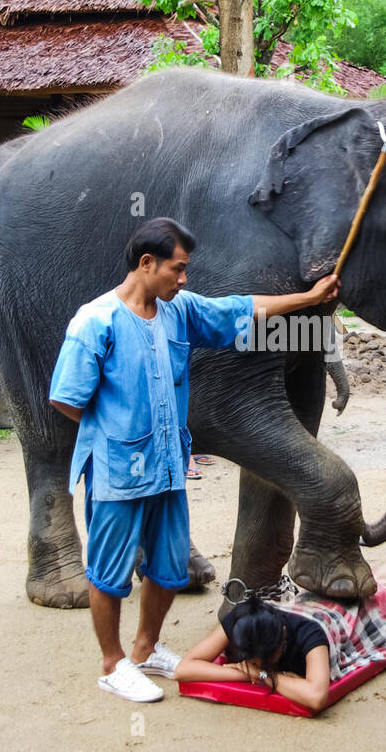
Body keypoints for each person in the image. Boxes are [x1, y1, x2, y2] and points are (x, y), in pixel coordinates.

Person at [48, 217, 340, 704]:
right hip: (119, 472)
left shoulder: (177, 312)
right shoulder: (94, 322)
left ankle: (145, 649)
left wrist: (309, 301)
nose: (184, 280)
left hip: (167, 467)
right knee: (109, 572)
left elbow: (237, 311)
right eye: (177, 270)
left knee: (167, 567)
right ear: (147, 263)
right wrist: (119, 430)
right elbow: (66, 399)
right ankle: (112, 663)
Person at [174, 539, 386, 714]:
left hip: (347, 620)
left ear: (280, 647)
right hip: (315, 601)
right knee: (375, 579)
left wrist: (263, 676)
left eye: (257, 660)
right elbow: (184, 669)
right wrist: (251, 672)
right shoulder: (243, 618)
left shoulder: (311, 638)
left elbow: (315, 696)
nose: (248, 663)